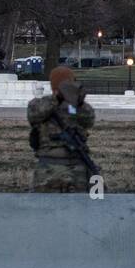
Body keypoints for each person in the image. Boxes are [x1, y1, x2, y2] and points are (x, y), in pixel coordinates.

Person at [28, 65, 97, 193]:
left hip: (76, 167)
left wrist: (79, 102)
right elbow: (34, 114)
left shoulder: (76, 106)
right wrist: (58, 98)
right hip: (48, 168)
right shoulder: (41, 104)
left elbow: (89, 120)